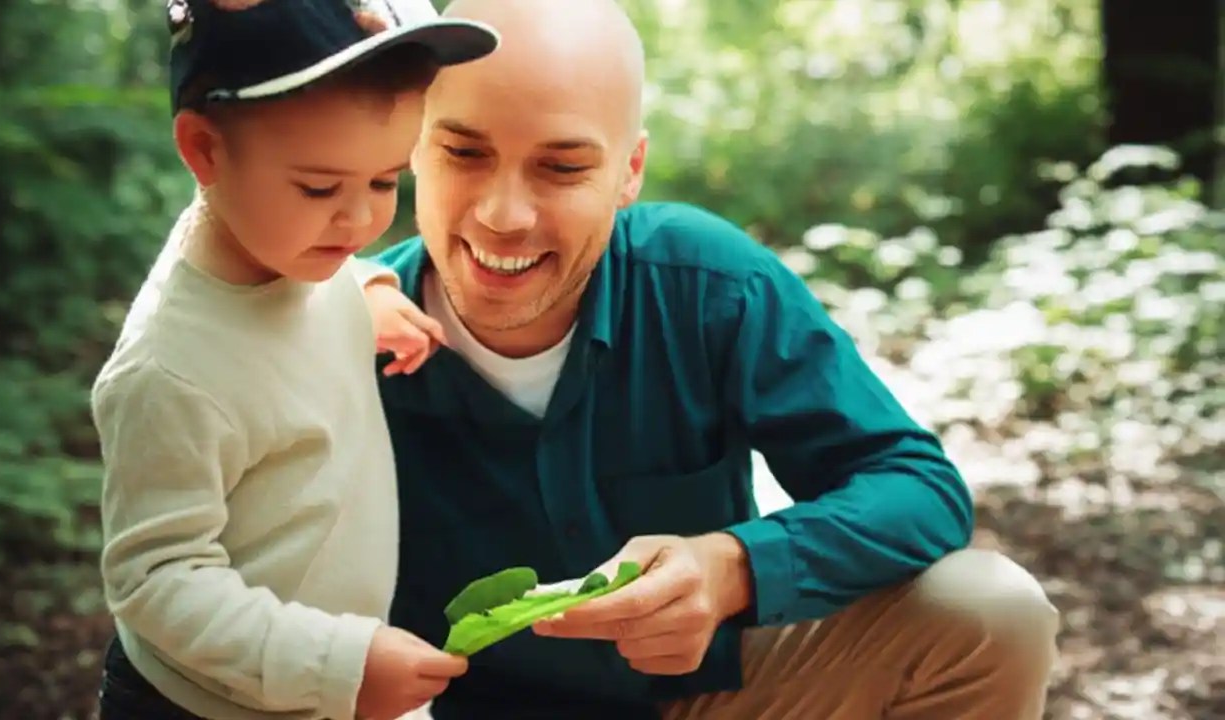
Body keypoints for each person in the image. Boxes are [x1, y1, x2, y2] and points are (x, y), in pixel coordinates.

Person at [364, 0, 1061, 718]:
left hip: (712, 695)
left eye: (562, 167)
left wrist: (731, 569)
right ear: (413, 143)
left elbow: (919, 488)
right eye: (464, 153)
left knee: (990, 614)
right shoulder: (340, 329)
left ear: (628, 172)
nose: (503, 214)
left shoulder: (706, 287)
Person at [90, 1, 499, 719]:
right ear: (205, 151)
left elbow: (305, 281)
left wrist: (365, 288)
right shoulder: (170, 372)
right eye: (320, 187)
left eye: (384, 181)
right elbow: (156, 580)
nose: (362, 220)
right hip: (207, 702)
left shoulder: (288, 249)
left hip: (308, 684)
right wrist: (339, 664)